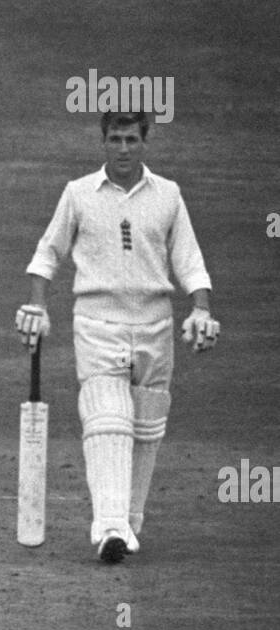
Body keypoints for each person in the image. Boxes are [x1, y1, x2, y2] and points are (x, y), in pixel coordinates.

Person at [16, 110, 220, 562]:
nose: (123, 148)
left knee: (146, 427)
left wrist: (201, 307)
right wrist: (38, 305)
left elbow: (189, 260)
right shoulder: (79, 194)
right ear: (103, 142)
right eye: (115, 139)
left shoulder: (168, 195)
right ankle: (109, 527)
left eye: (131, 139)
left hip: (156, 327)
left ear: (144, 142)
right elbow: (47, 254)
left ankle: (128, 523)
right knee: (108, 419)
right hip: (98, 324)